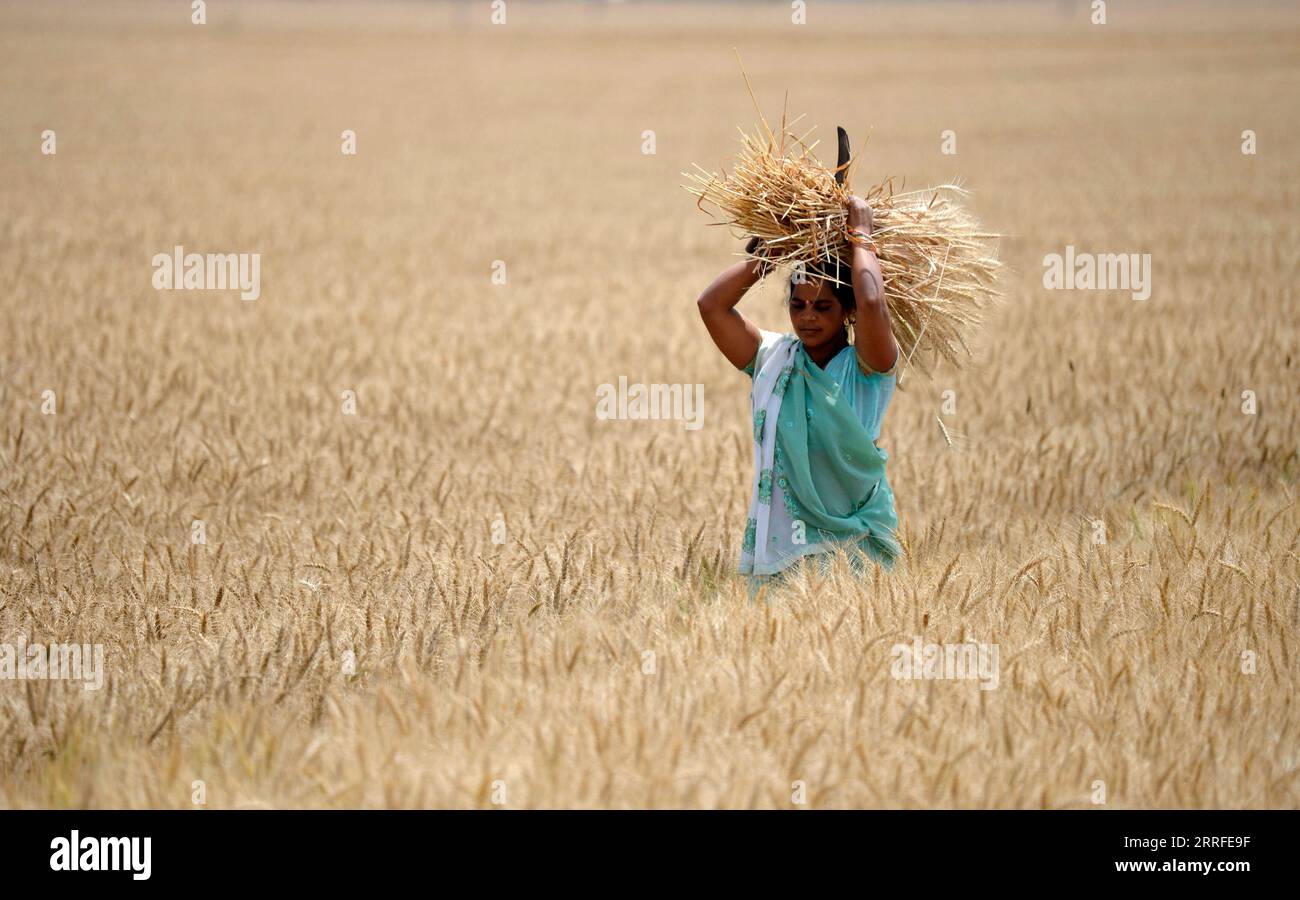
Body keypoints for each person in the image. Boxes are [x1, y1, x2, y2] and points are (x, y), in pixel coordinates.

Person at [696, 195, 902, 590]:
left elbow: (873, 300)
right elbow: (711, 306)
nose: (808, 316)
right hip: (784, 556)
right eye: (798, 304)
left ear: (847, 311)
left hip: (856, 551)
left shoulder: (868, 367)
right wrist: (768, 257)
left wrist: (860, 236)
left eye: (823, 306)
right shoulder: (773, 359)